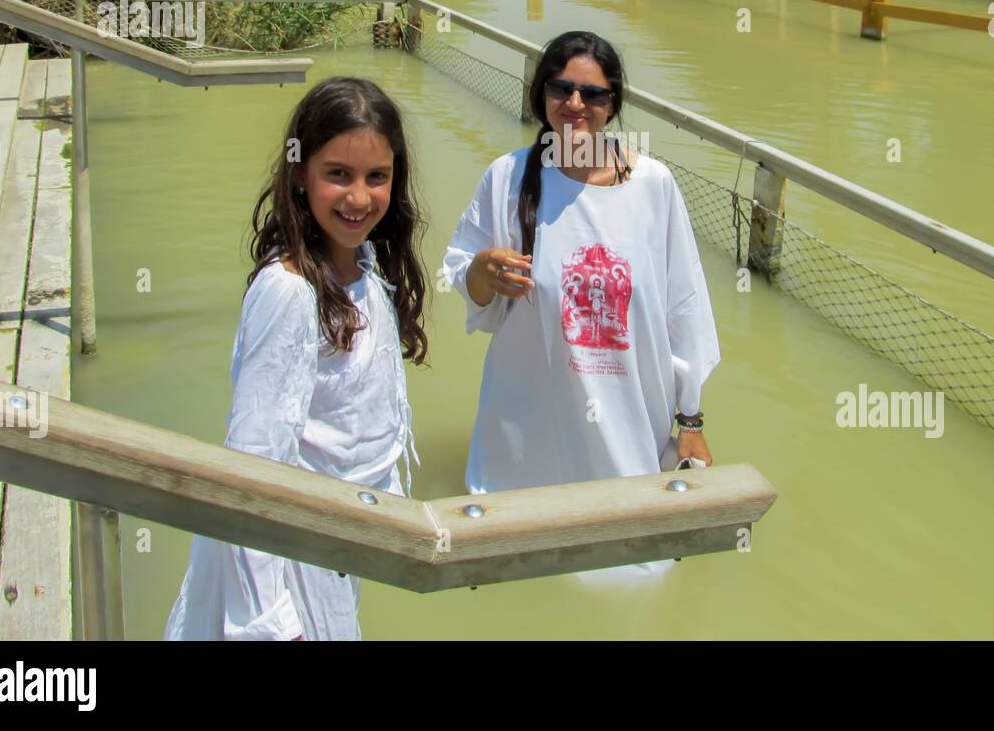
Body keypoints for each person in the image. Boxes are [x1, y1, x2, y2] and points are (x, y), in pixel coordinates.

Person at [442, 31, 720, 575]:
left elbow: (684, 308)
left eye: (592, 94)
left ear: (613, 104)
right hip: (526, 431)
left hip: (626, 422)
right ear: (541, 93)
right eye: (560, 88)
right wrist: (481, 273)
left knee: (633, 570)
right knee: (517, 567)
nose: (574, 105)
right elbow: (463, 276)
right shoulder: (506, 178)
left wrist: (691, 419)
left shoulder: (653, 186)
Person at [164, 77, 428, 640]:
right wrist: (272, 625)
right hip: (282, 558)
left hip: (331, 543)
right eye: (338, 174)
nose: (359, 198)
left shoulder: (365, 267)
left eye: (376, 177)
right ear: (300, 175)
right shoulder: (289, 292)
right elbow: (254, 462)